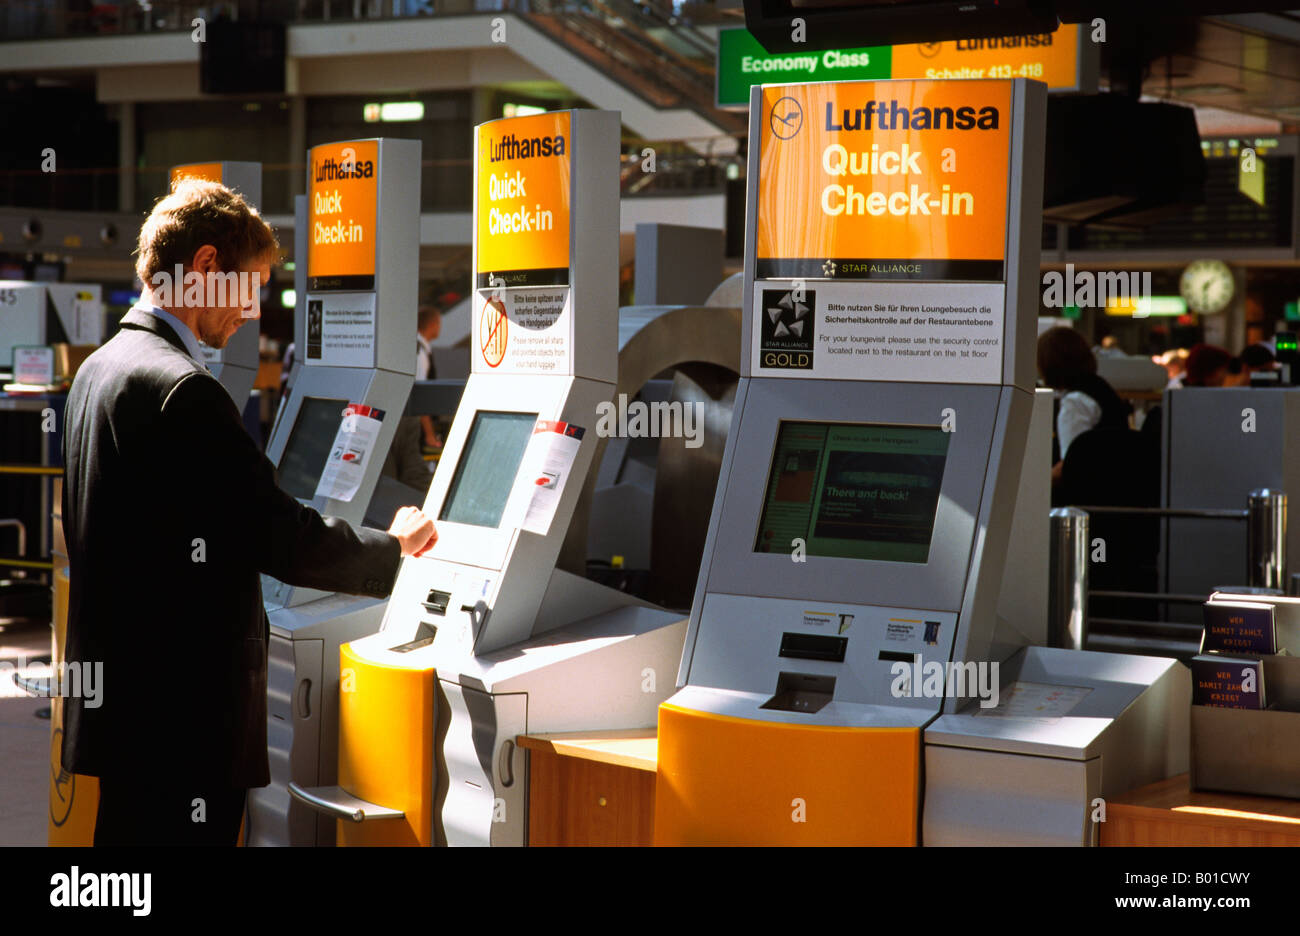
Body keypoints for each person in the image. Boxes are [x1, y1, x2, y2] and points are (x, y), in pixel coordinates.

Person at [62, 179, 438, 846]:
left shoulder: (101, 370)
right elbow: (275, 534)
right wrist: (394, 548)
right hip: (183, 721)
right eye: (253, 284)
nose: (254, 310)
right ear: (206, 267)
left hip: (124, 713)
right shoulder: (183, 389)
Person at [1037, 326, 1132, 484]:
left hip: (1085, 496)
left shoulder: (1075, 402)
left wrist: (1036, 485)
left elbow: (1070, 465)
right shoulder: (1101, 388)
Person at [416, 304, 443, 451]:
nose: (439, 328)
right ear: (432, 325)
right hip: (414, 427)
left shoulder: (418, 348)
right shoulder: (419, 352)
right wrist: (429, 434)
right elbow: (420, 394)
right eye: (439, 324)